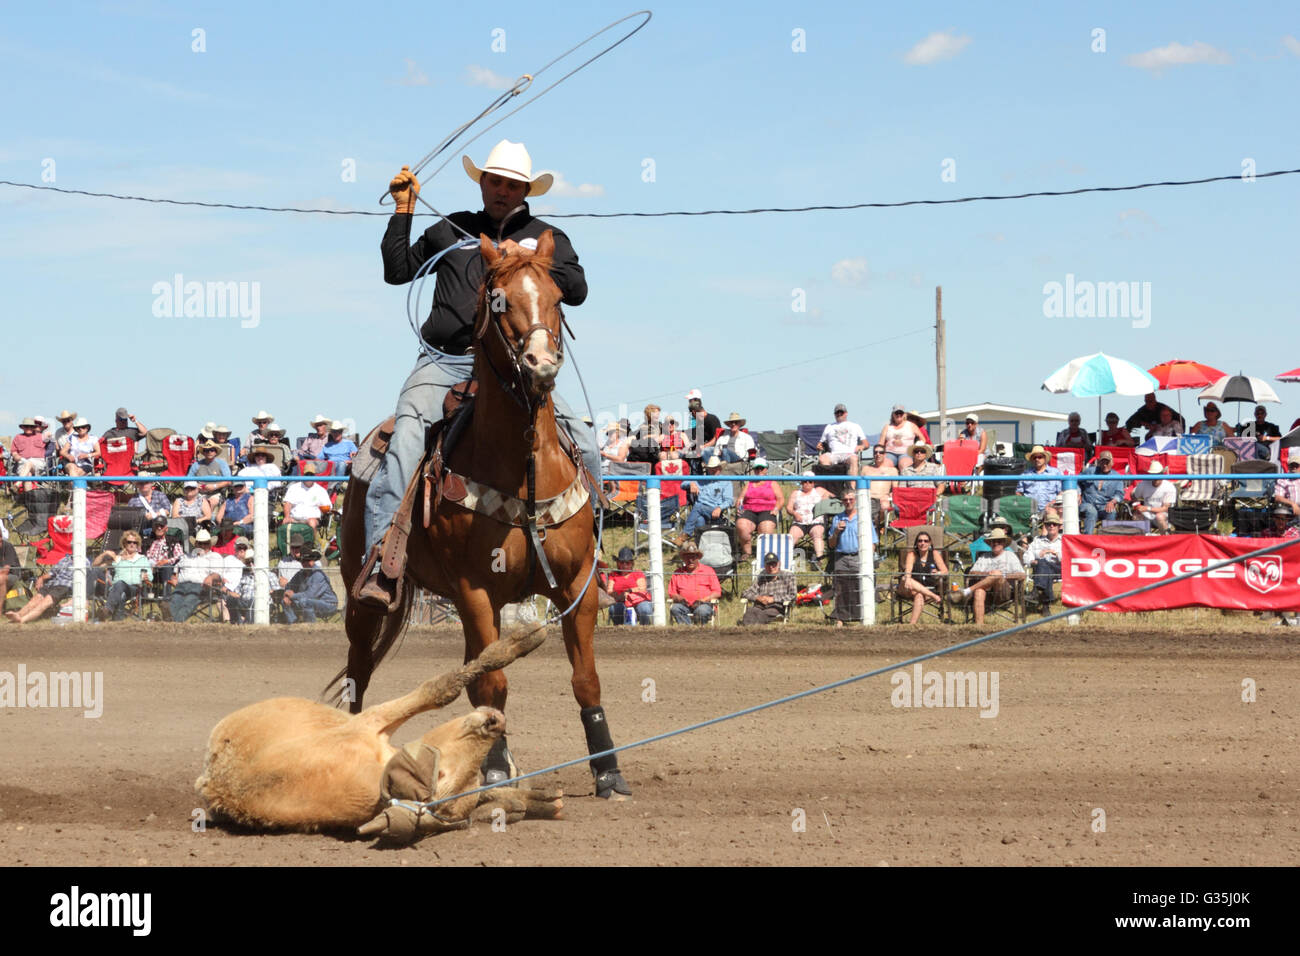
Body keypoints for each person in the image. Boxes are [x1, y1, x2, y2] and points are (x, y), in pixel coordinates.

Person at [359, 140, 592, 608]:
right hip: (444, 362)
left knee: (582, 441)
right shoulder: (452, 229)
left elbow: (578, 289)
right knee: (406, 438)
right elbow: (397, 270)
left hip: (518, 374)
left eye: (512, 184)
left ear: (526, 189)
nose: (502, 191)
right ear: (482, 182)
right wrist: (403, 210)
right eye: (495, 181)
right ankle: (383, 559)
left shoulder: (547, 236)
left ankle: (590, 558)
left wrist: (524, 262)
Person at [948, 528, 1024, 625]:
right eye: (993, 541)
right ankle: (979, 627)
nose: (996, 543)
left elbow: (1022, 575)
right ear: (989, 543)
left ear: (1004, 543)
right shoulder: (984, 556)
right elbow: (971, 573)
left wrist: (1001, 575)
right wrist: (987, 574)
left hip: (1003, 593)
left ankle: (967, 591)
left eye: (999, 541)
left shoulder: (1010, 556)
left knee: (997, 574)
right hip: (986, 593)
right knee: (979, 591)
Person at [827, 489, 877, 626]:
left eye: (851, 499)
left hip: (858, 557)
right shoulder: (837, 518)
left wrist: (869, 559)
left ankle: (863, 618)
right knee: (840, 589)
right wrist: (836, 531)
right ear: (842, 502)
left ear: (855, 501)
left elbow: (873, 542)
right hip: (841, 557)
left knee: (859, 587)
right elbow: (831, 544)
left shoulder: (863, 518)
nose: (848, 502)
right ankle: (840, 619)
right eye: (845, 500)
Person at [5, 552, 87, 624]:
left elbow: (86, 579)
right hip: (51, 583)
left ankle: (23, 620)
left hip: (64, 586)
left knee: (45, 602)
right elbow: (51, 573)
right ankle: (18, 615)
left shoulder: (84, 562)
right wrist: (41, 578)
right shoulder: (65, 559)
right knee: (35, 599)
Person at [92, 531, 153, 621]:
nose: (132, 544)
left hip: (133, 589)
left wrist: (146, 577)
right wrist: (104, 554)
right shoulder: (118, 558)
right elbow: (95, 565)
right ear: (124, 543)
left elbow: (150, 576)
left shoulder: (142, 559)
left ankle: (107, 610)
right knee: (121, 593)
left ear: (137, 544)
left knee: (120, 584)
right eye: (129, 542)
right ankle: (117, 622)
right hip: (116, 589)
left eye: (135, 542)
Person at [168, 528, 226, 622]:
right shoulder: (186, 556)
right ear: (195, 544)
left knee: (188, 601)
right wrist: (174, 577)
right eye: (200, 543)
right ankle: (170, 620)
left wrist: (211, 577)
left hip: (201, 586)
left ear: (210, 544)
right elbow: (176, 569)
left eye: (206, 543)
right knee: (175, 600)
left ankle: (174, 622)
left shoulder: (214, 557)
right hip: (181, 585)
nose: (203, 546)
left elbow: (218, 574)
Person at [895, 531, 947, 625]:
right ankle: (934, 596)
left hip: (924, 590)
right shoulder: (912, 554)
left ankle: (911, 625)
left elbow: (945, 571)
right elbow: (908, 570)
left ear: (930, 543)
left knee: (919, 595)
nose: (923, 543)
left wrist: (938, 572)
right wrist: (907, 578)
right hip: (908, 588)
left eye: (925, 541)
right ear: (916, 543)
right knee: (906, 579)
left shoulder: (934, 554)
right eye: (920, 541)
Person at [735, 458, 783, 558]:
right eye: (756, 468)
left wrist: (776, 509)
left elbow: (780, 499)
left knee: (766, 528)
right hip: (749, 509)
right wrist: (738, 507)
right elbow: (740, 498)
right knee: (741, 525)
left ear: (766, 469)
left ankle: (764, 555)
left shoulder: (772, 483)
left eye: (761, 468)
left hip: (768, 509)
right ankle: (746, 552)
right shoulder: (749, 483)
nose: (759, 470)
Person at [668, 542, 720, 625]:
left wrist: (703, 600)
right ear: (684, 559)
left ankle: (699, 630)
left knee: (701, 610)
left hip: (704, 604)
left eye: (693, 557)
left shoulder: (708, 570)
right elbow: (672, 593)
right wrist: (679, 598)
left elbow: (717, 592)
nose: (690, 560)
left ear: (698, 558)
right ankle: (687, 630)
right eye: (687, 557)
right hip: (684, 605)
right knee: (675, 608)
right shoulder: (677, 573)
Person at [281, 549, 338, 623]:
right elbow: (289, 586)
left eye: (309, 560)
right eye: (303, 561)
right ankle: (294, 625)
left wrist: (292, 596)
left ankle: (310, 627)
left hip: (329, 604)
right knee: (284, 601)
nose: (306, 563)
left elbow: (310, 595)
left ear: (313, 560)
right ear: (301, 562)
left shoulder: (319, 575)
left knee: (305, 601)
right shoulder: (300, 574)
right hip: (308, 601)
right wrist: (287, 595)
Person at [1022, 513, 1063, 613]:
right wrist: (1032, 561)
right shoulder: (1037, 541)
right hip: (1040, 569)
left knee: (1043, 564)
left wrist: (1056, 554)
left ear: (1059, 526)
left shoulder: (1064, 541)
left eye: (1054, 524)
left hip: (1058, 568)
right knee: (1043, 564)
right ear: (1045, 526)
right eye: (1049, 524)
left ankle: (1036, 591)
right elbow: (1027, 555)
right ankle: (1046, 605)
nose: (1051, 526)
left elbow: (1068, 558)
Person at [741, 551, 796, 626]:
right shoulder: (761, 577)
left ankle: (750, 629)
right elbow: (745, 593)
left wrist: (773, 599)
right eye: (768, 564)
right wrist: (758, 597)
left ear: (779, 564)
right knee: (750, 612)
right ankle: (750, 630)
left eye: (774, 564)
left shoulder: (788, 576)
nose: (771, 567)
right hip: (759, 606)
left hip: (776, 607)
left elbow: (793, 595)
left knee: (763, 614)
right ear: (765, 565)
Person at [683, 456, 733, 537]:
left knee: (698, 506)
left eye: (715, 468)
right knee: (699, 520)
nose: (713, 470)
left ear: (720, 468)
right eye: (711, 468)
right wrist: (691, 483)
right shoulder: (702, 478)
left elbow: (729, 500)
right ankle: (701, 545)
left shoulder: (726, 481)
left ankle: (685, 534)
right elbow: (683, 484)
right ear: (707, 469)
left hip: (714, 510)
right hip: (700, 512)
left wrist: (719, 508)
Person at [1078, 450, 1126, 533]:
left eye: (1107, 462)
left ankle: (1107, 540)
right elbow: (1076, 481)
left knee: (1111, 511)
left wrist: (1113, 501)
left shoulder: (1117, 477)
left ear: (1112, 463)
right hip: (1088, 503)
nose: (1105, 465)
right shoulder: (1090, 471)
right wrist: (1078, 493)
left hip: (1104, 505)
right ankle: (1087, 539)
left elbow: (1120, 494)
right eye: (1102, 462)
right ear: (1099, 463)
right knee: (1091, 511)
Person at [602, 547, 652, 626]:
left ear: (632, 563)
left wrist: (629, 591)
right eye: (622, 562)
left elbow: (642, 588)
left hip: (637, 601)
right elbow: (609, 591)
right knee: (614, 609)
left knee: (644, 609)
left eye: (627, 563)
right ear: (618, 563)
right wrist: (618, 596)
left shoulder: (637, 573)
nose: (624, 565)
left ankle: (645, 628)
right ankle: (619, 630)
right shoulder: (613, 574)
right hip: (620, 601)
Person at [786, 472, 828, 564]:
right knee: (792, 536)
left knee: (817, 533)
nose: (807, 483)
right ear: (801, 482)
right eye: (805, 481)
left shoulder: (820, 491)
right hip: (799, 521)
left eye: (810, 481)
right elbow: (788, 508)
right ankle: (785, 558)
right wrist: (794, 513)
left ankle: (819, 558)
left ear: (814, 482)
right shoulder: (795, 493)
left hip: (816, 521)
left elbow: (832, 498)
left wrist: (825, 504)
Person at [818, 403, 868, 475]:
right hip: (834, 454)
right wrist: (819, 446)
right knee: (822, 458)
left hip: (849, 454)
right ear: (834, 414)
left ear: (846, 413)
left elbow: (866, 444)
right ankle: (828, 485)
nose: (839, 414)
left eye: (841, 412)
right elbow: (819, 444)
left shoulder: (855, 426)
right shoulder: (829, 427)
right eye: (837, 413)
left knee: (854, 459)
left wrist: (861, 446)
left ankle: (852, 486)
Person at [1130, 460, 1176, 532]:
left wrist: (1146, 508)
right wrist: (1137, 506)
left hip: (1163, 516)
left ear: (1162, 474)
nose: (1155, 477)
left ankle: (1165, 539)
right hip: (1146, 514)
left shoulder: (1169, 487)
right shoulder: (1144, 483)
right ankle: (1141, 539)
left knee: (1159, 516)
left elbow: (1165, 509)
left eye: (1158, 474)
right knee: (1136, 516)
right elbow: (1133, 495)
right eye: (1153, 474)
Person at [1017, 446, 1063, 516]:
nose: (1037, 459)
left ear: (1045, 458)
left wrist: (1052, 504)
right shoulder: (1025, 474)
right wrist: (1023, 505)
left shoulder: (1055, 473)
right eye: (1034, 457)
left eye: (1040, 457)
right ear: (1032, 460)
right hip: (1029, 510)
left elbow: (1061, 492)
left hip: (1051, 509)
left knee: (1052, 517)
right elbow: (1019, 493)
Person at [187, 440, 232, 508]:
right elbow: (188, 479)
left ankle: (206, 518)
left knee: (210, 503)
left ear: (215, 452)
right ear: (203, 453)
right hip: (198, 492)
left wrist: (214, 486)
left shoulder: (222, 464)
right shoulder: (196, 465)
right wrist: (197, 485)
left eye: (212, 450)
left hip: (217, 493)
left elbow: (228, 481)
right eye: (206, 450)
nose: (209, 452)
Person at [144, 515, 183, 592]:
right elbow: (141, 555)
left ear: (166, 528)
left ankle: (166, 598)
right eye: (157, 526)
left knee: (167, 566)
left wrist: (166, 561)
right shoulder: (147, 541)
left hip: (166, 567)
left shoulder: (173, 541)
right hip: (150, 566)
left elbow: (180, 556)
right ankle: (143, 597)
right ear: (153, 528)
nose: (159, 528)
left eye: (161, 526)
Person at [683, 389, 723, 461]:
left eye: (690, 400)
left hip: (712, 449)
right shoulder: (696, 422)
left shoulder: (712, 419)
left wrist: (704, 446)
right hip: (699, 449)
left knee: (700, 452)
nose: (689, 402)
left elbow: (716, 438)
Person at [861, 444, 898, 518]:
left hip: (884, 498)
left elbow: (895, 489)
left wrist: (889, 496)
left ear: (885, 454)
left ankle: (880, 527)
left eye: (881, 452)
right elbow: (860, 486)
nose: (878, 454)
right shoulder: (866, 469)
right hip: (868, 498)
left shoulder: (892, 470)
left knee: (885, 505)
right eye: (875, 452)